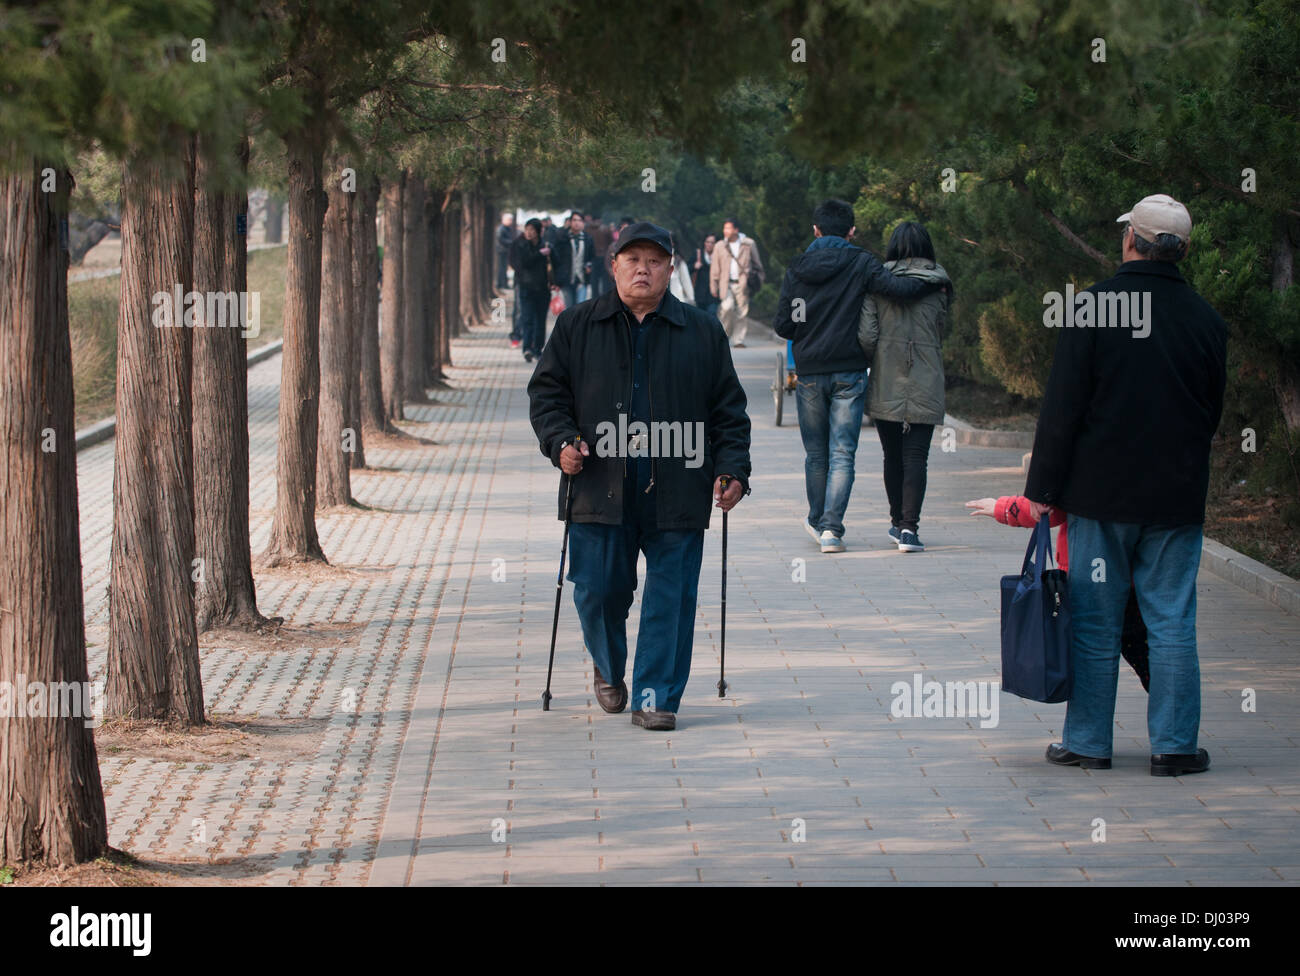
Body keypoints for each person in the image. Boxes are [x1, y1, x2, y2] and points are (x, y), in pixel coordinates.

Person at [1025, 193, 1227, 776]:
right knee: (1171, 621)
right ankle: (1175, 747)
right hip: (1176, 497)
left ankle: (1088, 744)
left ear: (1131, 240)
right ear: (1181, 250)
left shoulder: (1091, 308)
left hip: (1100, 497)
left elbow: (1062, 408)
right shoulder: (1207, 321)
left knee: (1095, 618)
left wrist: (1043, 488)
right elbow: (1209, 415)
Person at [528, 222, 751, 731]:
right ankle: (608, 666)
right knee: (597, 589)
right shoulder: (578, 326)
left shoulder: (701, 330)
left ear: (671, 268)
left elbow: (729, 412)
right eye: (633, 260)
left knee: (670, 599)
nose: (643, 269)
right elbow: (547, 395)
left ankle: (654, 697)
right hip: (598, 485)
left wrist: (732, 467)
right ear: (614, 266)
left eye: (654, 260)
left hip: (678, 488)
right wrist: (562, 442)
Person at [773, 199, 943, 553]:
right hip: (849, 371)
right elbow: (898, 290)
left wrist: (809, 324)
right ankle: (832, 530)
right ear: (851, 231)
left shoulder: (798, 267)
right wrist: (933, 281)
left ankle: (819, 521)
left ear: (815, 230)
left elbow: (784, 324)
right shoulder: (862, 262)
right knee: (842, 453)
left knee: (815, 454)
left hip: (808, 373)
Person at [965, 494, 1150, 690]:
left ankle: (1090, 719)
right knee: (1155, 651)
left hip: (1092, 572)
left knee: (1094, 653)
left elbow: (1049, 505)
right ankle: (1175, 712)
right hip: (1147, 570)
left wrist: (1004, 508)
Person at [858, 221, 951, 553]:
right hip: (927, 376)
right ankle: (910, 529)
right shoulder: (940, 284)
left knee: (892, 455)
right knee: (917, 457)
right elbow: (940, 328)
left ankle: (898, 522)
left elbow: (867, 336)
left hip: (887, 375)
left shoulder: (878, 283)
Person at [709, 218, 764, 348]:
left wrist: (758, 280)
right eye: (724, 228)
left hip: (742, 283)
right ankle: (724, 335)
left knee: (742, 312)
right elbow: (715, 268)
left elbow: (758, 265)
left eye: (728, 228)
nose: (725, 231)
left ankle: (738, 340)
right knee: (727, 308)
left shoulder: (748, 244)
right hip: (725, 283)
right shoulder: (720, 245)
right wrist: (714, 286)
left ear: (736, 230)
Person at [510, 218, 552, 362]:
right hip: (526, 287)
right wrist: (540, 254)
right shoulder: (520, 244)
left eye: (532, 230)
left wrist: (556, 281)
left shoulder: (547, 245)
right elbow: (523, 262)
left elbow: (555, 264)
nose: (529, 233)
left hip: (543, 289)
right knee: (527, 319)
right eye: (527, 229)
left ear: (539, 231)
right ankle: (527, 348)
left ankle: (538, 349)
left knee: (540, 321)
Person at [552, 211, 594, 310]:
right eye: (574, 220)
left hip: (582, 278)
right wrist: (556, 281)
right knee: (569, 308)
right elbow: (556, 260)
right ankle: (570, 326)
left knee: (581, 308)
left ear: (583, 223)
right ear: (570, 222)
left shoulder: (588, 239)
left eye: (580, 220)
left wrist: (589, 265)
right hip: (566, 278)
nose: (577, 223)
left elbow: (592, 257)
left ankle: (579, 326)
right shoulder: (562, 238)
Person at [587, 216, 613, 297]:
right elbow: (610, 243)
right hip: (605, 257)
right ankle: (605, 299)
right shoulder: (606, 229)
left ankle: (595, 300)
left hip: (593, 257)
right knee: (605, 281)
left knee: (594, 281)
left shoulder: (587, 230)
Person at [692, 233, 717, 317]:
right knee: (700, 318)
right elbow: (687, 269)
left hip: (713, 295)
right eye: (707, 242)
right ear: (704, 243)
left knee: (711, 314)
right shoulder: (698, 254)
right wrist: (694, 266)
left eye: (712, 242)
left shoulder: (718, 257)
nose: (709, 244)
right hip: (700, 294)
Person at [668, 234, 696, 305]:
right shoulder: (657, 260)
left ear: (673, 243)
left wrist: (691, 299)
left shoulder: (679, 261)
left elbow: (686, 281)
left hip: (676, 299)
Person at [496, 212, 516, 290]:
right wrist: (511, 242)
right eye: (509, 220)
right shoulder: (501, 229)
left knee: (504, 268)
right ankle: (501, 284)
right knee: (502, 268)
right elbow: (500, 239)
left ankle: (503, 283)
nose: (510, 222)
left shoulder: (507, 228)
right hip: (502, 250)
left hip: (505, 250)